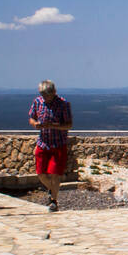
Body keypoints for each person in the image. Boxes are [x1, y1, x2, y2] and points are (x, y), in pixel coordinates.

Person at [28, 80, 73, 211]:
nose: (44, 97)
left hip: (58, 144)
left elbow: (69, 125)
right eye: (42, 94)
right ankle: (51, 190)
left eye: (46, 94)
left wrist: (52, 125)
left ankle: (54, 201)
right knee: (41, 173)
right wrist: (35, 124)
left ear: (53, 92)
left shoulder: (63, 104)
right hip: (43, 143)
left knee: (55, 174)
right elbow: (31, 117)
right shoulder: (38, 102)